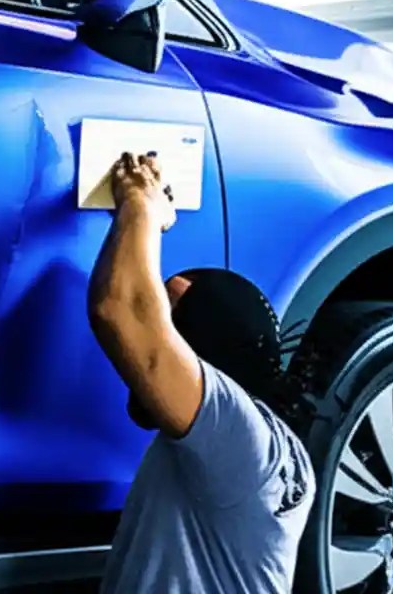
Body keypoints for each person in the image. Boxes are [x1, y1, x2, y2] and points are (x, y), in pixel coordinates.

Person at [87, 152, 314, 593]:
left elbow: (122, 310)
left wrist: (141, 200)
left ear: (207, 346)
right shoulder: (267, 451)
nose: (161, 331)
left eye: (171, 320)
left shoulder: (238, 433)